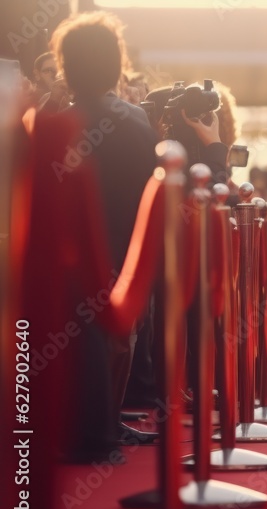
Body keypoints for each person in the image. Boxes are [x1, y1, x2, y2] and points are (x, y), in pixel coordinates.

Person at [50, 11, 159, 459]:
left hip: (67, 253)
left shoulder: (55, 125)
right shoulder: (135, 122)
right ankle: (102, 429)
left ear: (66, 66)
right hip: (123, 251)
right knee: (115, 341)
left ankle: (87, 430)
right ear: (116, 64)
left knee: (79, 341)